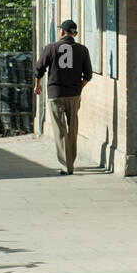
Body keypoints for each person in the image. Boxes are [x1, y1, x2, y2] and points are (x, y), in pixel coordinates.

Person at [34, 20, 92, 175]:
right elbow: (88, 75)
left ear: (61, 32)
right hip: (74, 95)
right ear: (75, 33)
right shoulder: (82, 50)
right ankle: (71, 161)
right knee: (73, 129)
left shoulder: (50, 48)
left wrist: (37, 84)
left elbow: (39, 69)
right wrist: (78, 88)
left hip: (55, 94)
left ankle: (66, 166)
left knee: (60, 130)